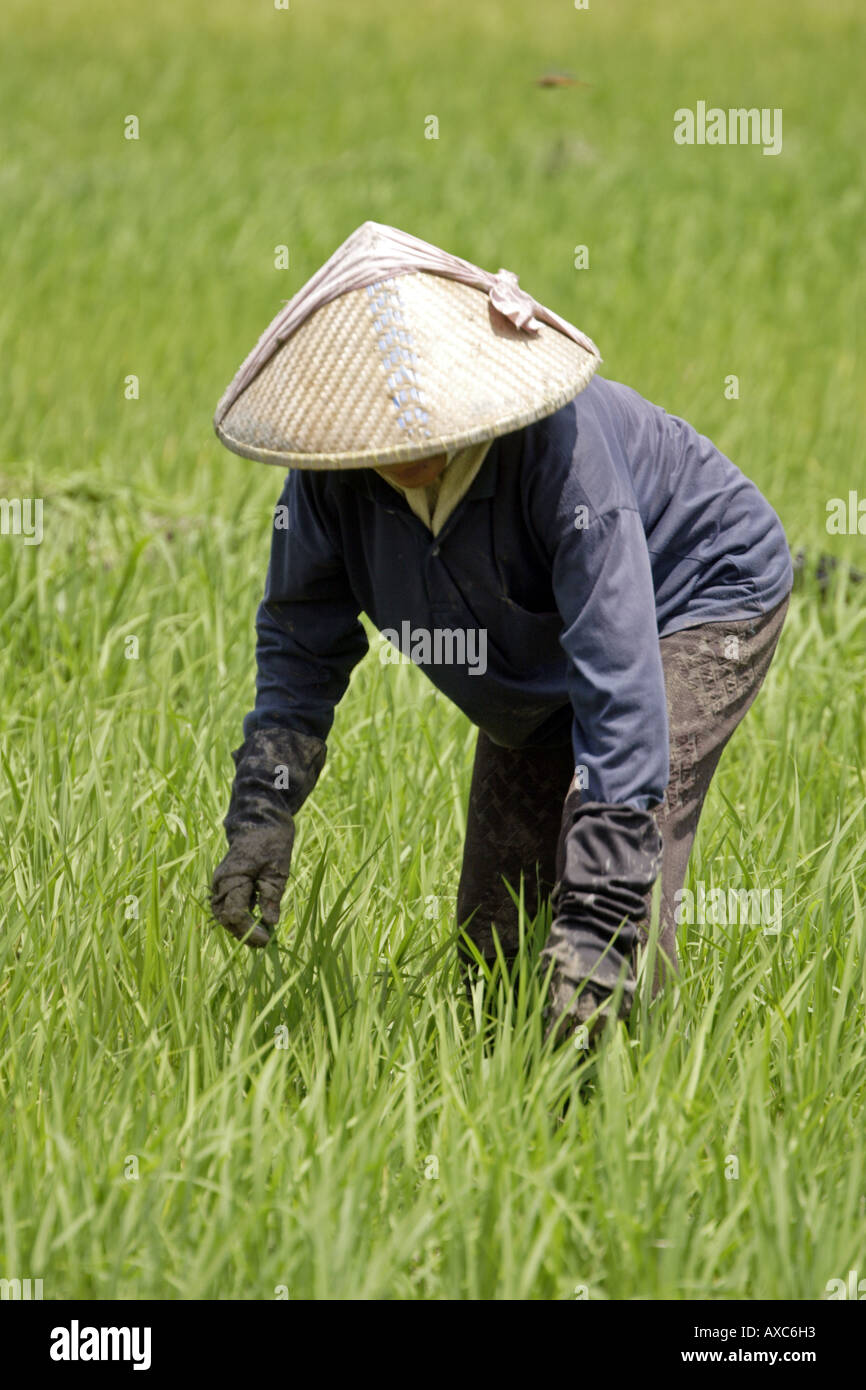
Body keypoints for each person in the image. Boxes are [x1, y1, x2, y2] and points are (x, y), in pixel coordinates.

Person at [209, 220, 792, 1043]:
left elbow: (622, 691)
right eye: (379, 435)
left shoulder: (562, 454)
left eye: (426, 430)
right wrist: (261, 816)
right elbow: (300, 643)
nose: (405, 449)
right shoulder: (328, 484)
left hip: (694, 591)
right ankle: (505, 1105)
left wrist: (596, 927)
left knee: (607, 910)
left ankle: (612, 1092)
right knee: (496, 943)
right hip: (533, 638)